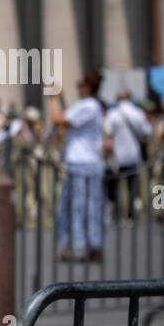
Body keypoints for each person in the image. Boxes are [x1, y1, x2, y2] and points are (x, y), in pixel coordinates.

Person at [48, 70, 106, 262]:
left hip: (82, 163)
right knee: (82, 206)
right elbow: (69, 117)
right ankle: (86, 244)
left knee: (77, 207)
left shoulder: (89, 105)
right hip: (85, 162)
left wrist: (52, 99)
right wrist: (62, 98)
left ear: (87, 87)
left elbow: (59, 119)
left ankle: (79, 245)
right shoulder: (90, 106)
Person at [103, 88, 151, 226]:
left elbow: (107, 133)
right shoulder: (138, 113)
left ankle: (115, 214)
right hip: (133, 154)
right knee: (132, 186)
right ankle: (130, 216)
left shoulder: (113, 114)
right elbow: (147, 132)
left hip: (116, 155)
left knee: (114, 186)